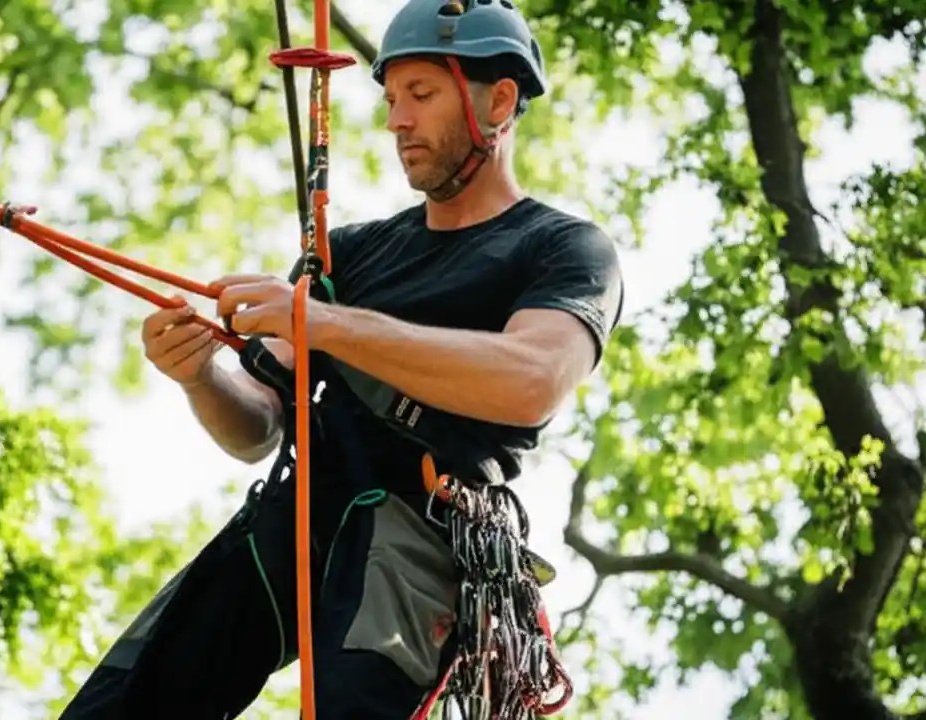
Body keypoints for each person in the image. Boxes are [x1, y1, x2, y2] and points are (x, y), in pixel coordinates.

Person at [58, 0, 624, 717]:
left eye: (422, 95)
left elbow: (531, 381)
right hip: (298, 512)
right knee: (125, 702)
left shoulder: (562, 248)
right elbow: (258, 426)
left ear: (500, 99)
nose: (397, 122)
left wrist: (328, 325)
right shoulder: (349, 253)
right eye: (391, 100)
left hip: (421, 526)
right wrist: (199, 376)